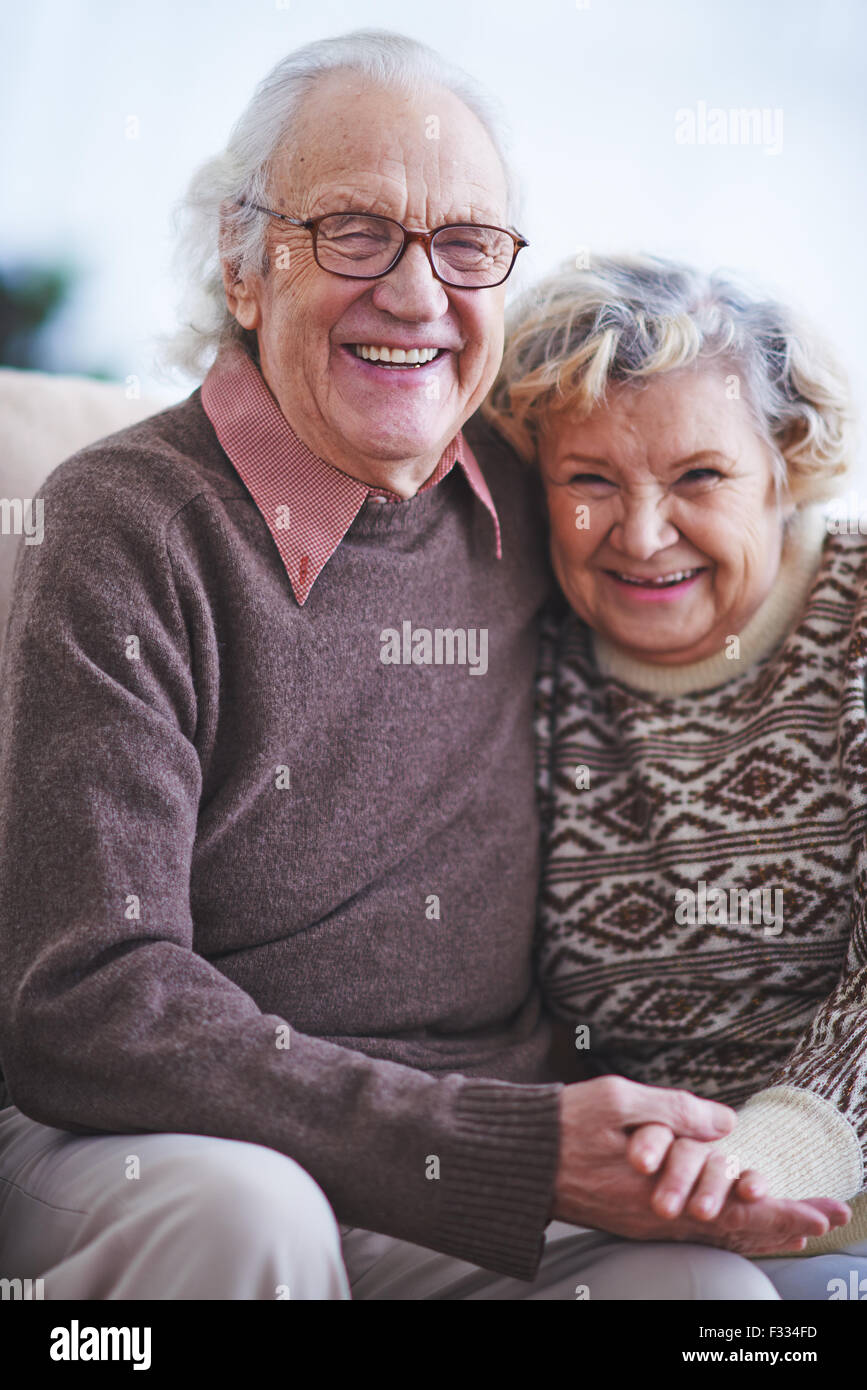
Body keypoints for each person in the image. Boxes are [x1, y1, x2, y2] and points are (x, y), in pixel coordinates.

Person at [0, 35, 846, 1302]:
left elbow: (720, 530)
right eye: (353, 232)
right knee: (251, 1214)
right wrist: (495, 1143)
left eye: (465, 245)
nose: (414, 296)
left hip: (469, 1158)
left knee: (701, 1300)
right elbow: (86, 998)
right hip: (159, 1139)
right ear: (243, 264)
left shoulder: (532, 495)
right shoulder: (125, 522)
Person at [482, 252, 867, 1298]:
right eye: (590, 481)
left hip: (838, 1223)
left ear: (786, 459)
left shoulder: (859, 608)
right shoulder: (521, 654)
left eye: (699, 476)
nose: (643, 536)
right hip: (624, 1230)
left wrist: (767, 1154)